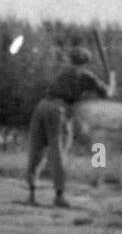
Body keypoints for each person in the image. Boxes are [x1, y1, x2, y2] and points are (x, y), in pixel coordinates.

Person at [26, 46, 114, 207]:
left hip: (42, 106)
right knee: (59, 151)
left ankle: (31, 193)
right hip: (58, 110)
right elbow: (107, 93)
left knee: (36, 151)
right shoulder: (86, 74)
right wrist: (112, 82)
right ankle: (59, 196)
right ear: (86, 61)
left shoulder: (64, 72)